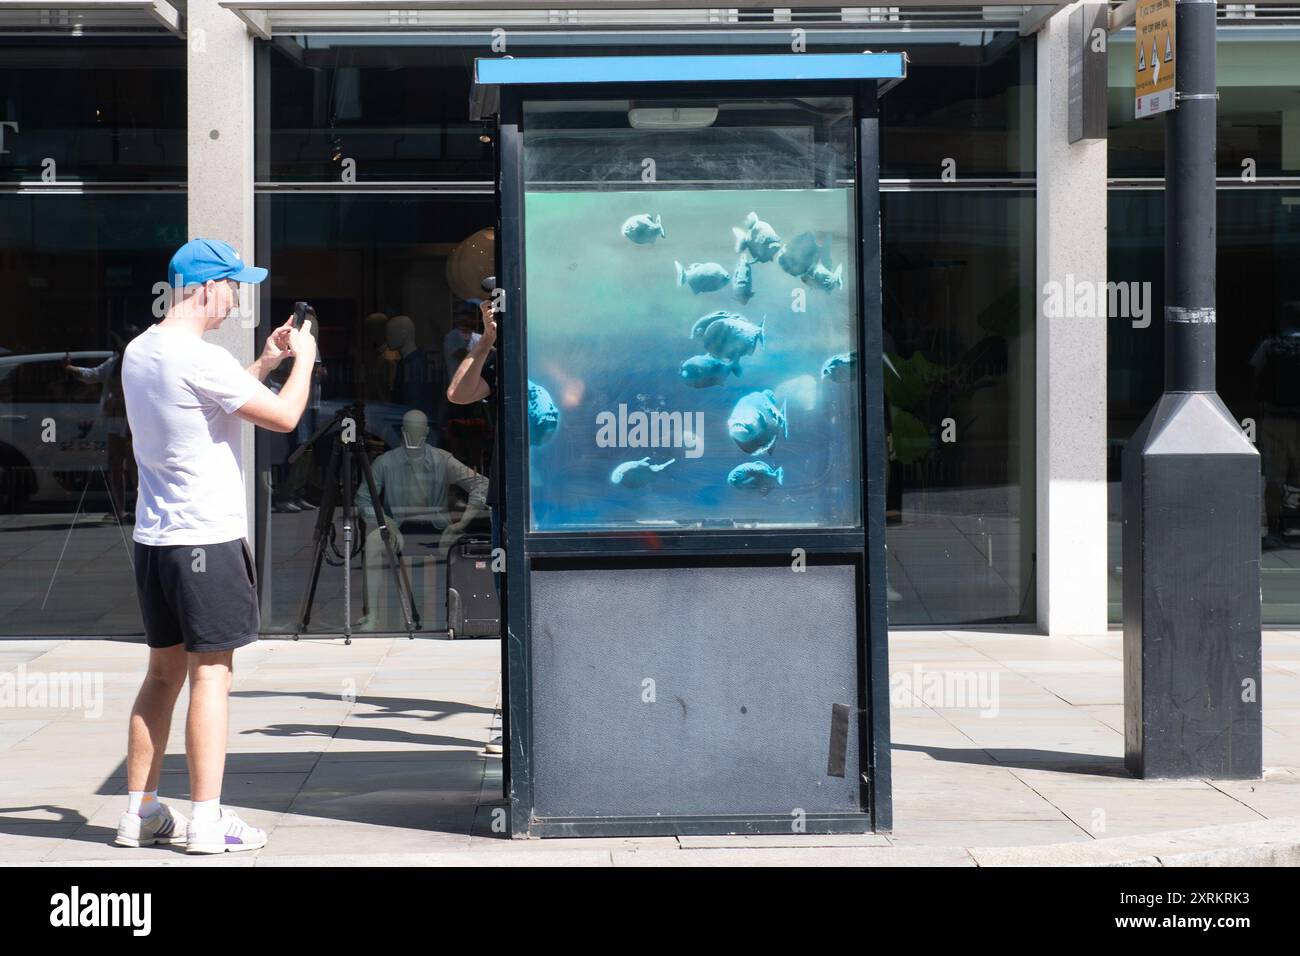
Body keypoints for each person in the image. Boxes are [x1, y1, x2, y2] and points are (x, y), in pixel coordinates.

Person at [114, 237, 317, 855]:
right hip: (206, 540)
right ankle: (206, 821)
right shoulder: (198, 359)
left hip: (156, 542)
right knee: (213, 677)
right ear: (205, 287)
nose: (236, 299)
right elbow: (282, 418)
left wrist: (262, 361)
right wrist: (304, 359)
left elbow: (213, 406)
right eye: (233, 287)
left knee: (161, 675)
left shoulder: (140, 351)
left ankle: (140, 814)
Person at [354, 409, 488, 630]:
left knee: (460, 549)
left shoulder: (442, 459)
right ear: (403, 431)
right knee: (374, 542)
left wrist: (461, 523)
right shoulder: (385, 462)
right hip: (397, 526)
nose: (414, 435)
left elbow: (481, 484)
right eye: (410, 430)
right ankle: (373, 615)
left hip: (438, 528)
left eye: (419, 430)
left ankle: (459, 612)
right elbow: (363, 499)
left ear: (426, 431)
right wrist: (385, 522)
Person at [446, 297, 502, 754]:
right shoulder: (496, 352)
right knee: (512, 609)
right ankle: (514, 712)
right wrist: (484, 343)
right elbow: (459, 393)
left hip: (557, 498)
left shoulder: (551, 349)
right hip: (512, 496)